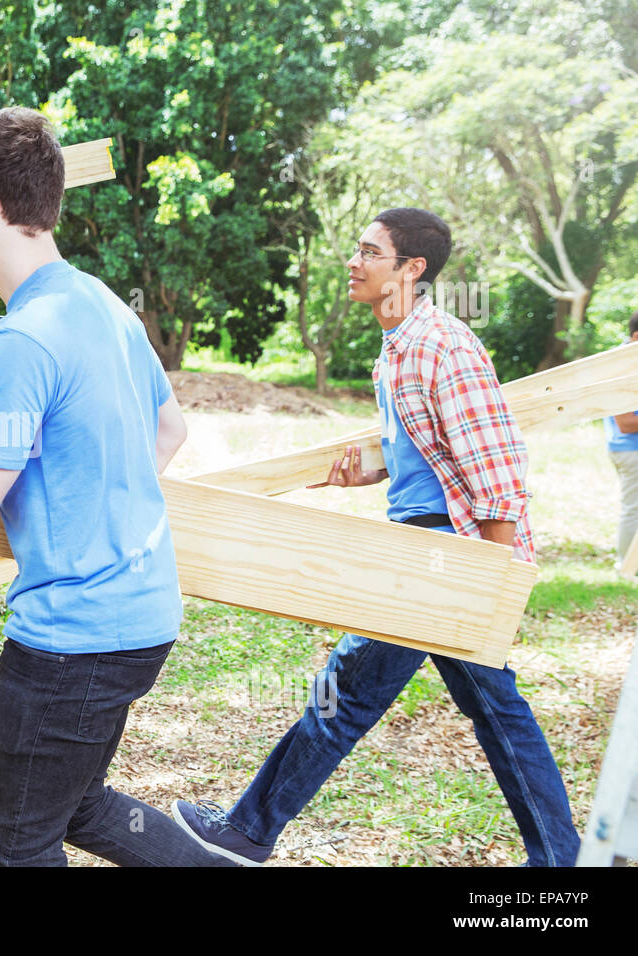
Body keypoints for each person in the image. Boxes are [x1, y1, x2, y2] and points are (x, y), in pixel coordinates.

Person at [172, 207, 581, 867]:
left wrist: (493, 582)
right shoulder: (397, 346)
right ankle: (561, 858)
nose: (353, 262)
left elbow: (499, 467)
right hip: (423, 545)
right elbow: (433, 448)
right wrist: (371, 467)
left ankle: (248, 831)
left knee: (348, 691)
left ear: (411, 269)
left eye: (369, 251)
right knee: (493, 711)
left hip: (444, 558)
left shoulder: (444, 344)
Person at [0, 107, 228, 867]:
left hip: (71, 641)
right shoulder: (105, 306)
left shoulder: (18, 341)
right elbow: (169, 433)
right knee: (79, 804)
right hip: (142, 618)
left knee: (17, 837)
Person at [606, 311, 638, 568]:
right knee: (634, 509)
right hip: (630, 450)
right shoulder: (620, 365)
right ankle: (625, 567)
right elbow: (625, 423)